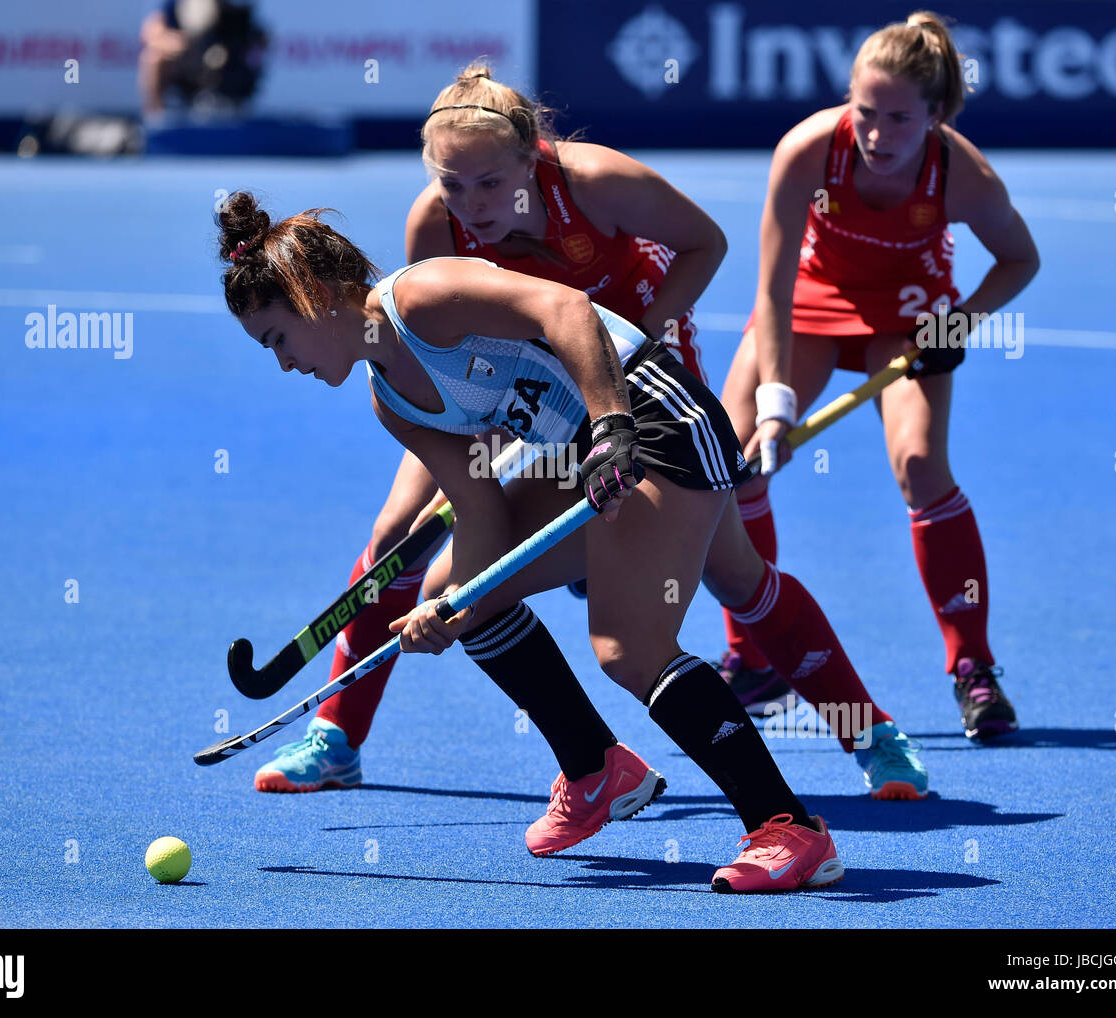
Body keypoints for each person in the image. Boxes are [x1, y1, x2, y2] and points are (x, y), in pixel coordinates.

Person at [254, 64, 929, 803]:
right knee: (399, 535)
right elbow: (438, 362)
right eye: (451, 184)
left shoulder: (595, 182)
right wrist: (483, 450)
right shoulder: (435, 225)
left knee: (735, 577)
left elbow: (706, 243)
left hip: (639, 392)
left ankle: (869, 735)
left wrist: (622, 351)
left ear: (531, 158)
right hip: (521, 408)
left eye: (489, 184)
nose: (471, 206)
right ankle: (339, 733)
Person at [217, 190, 846, 891]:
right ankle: (596, 768)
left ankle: (787, 827)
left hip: (654, 421)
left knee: (627, 648)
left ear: (317, 297)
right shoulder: (391, 399)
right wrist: (454, 608)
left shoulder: (423, 298)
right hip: (583, 458)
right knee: (451, 588)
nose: (284, 364)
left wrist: (611, 428)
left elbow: (567, 309)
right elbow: (478, 505)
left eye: (278, 339)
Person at [717, 11, 1039, 740]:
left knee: (922, 465)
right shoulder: (806, 151)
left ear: (937, 114)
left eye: (899, 118)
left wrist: (960, 322)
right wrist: (776, 404)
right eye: (866, 112)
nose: (877, 135)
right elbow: (769, 289)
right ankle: (757, 658)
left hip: (908, 317)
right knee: (737, 463)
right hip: (808, 306)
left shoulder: (963, 175)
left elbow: (1021, 260)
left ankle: (973, 666)